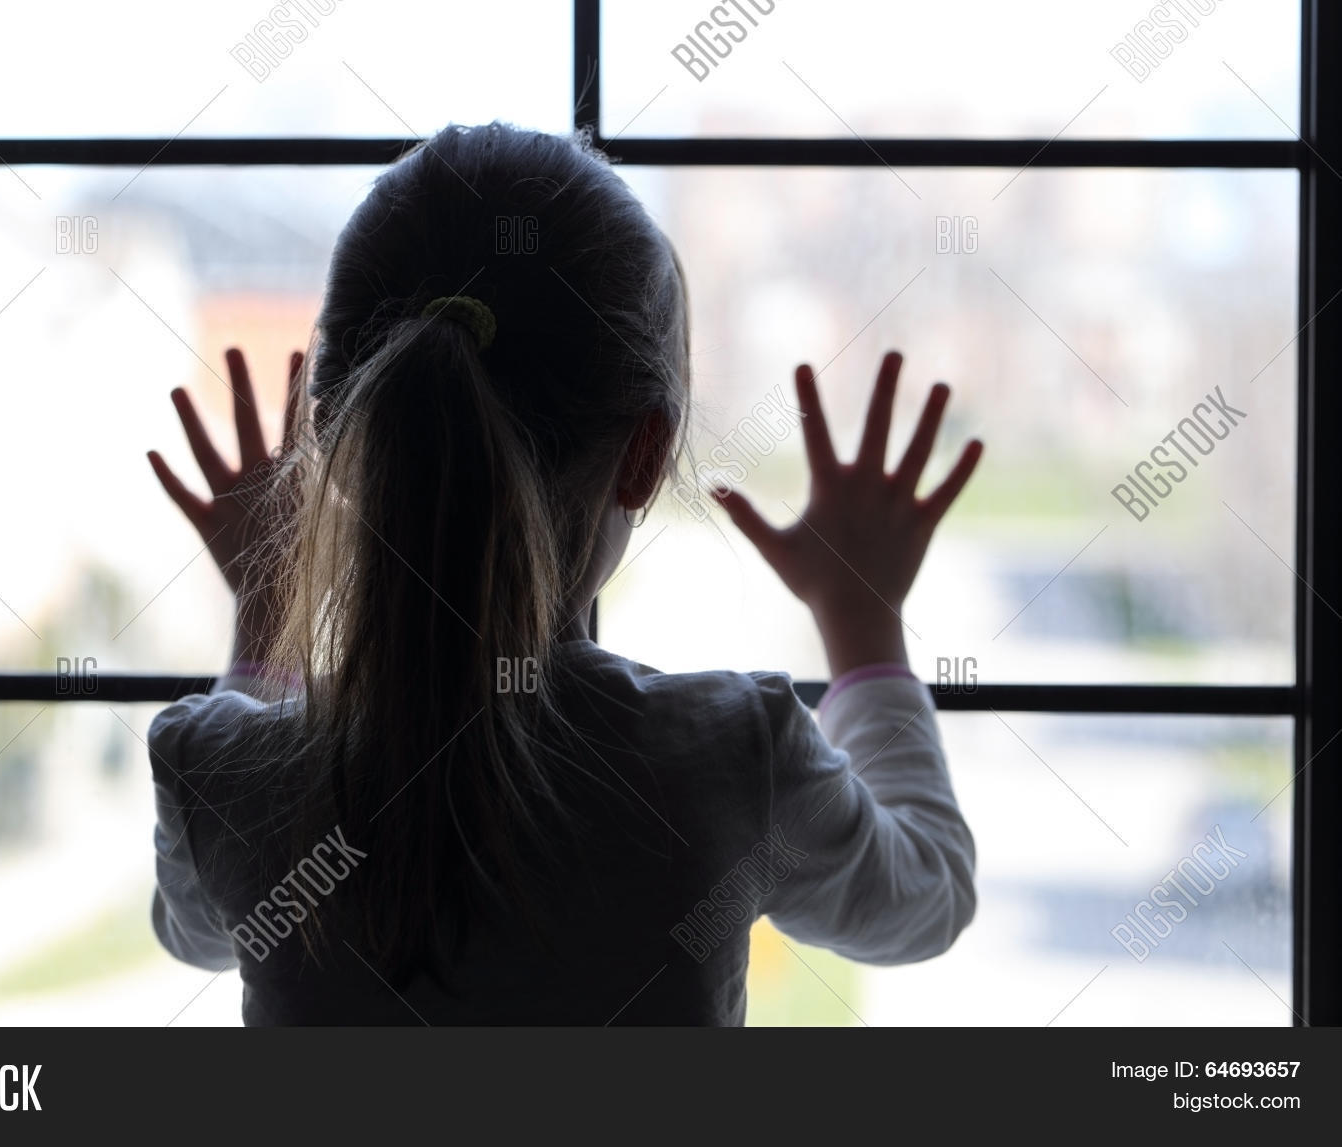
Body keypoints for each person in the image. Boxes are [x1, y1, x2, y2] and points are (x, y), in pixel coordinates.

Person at [143, 122, 983, 1025]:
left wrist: (265, 611)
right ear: (645, 455)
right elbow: (926, 895)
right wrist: (861, 615)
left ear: (336, 443)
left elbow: (193, 930)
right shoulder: (732, 760)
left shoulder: (217, 776)